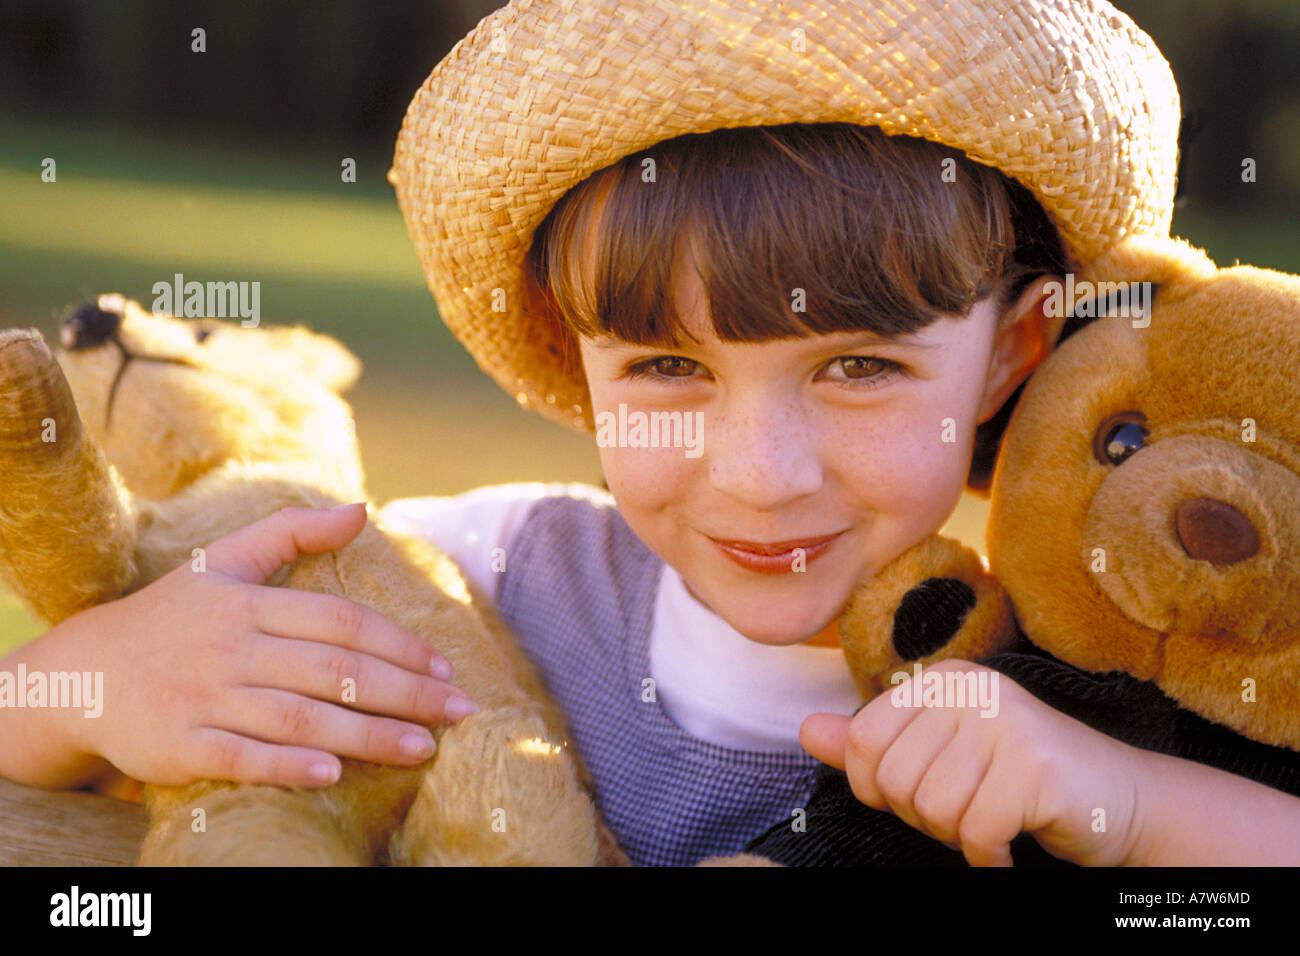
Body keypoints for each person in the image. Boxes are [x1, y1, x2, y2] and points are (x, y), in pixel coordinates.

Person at [4, 0, 1298, 867]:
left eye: (860, 367)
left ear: (1014, 350)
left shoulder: (1070, 678)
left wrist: (1125, 805)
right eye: (670, 367)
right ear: (577, 353)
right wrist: (100, 684)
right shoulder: (484, 574)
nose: (761, 474)